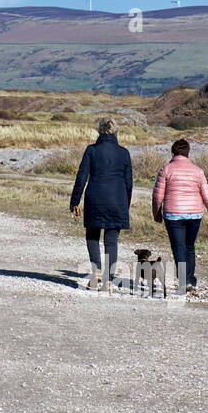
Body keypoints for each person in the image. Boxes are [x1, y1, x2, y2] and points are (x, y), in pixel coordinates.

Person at [151, 139, 208, 295]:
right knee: (189, 247)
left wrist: (157, 214)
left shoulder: (166, 170)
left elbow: (157, 196)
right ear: (188, 153)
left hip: (173, 215)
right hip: (194, 214)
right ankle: (190, 280)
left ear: (173, 153)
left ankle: (185, 281)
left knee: (179, 248)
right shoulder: (198, 171)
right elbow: (207, 197)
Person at [70, 117, 133, 291]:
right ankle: (109, 280)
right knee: (111, 241)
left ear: (99, 131)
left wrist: (74, 201)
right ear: (116, 132)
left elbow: (81, 177)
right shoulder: (124, 153)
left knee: (92, 236)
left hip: (94, 198)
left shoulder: (91, 150)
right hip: (117, 201)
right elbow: (129, 183)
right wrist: (125, 206)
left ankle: (96, 269)